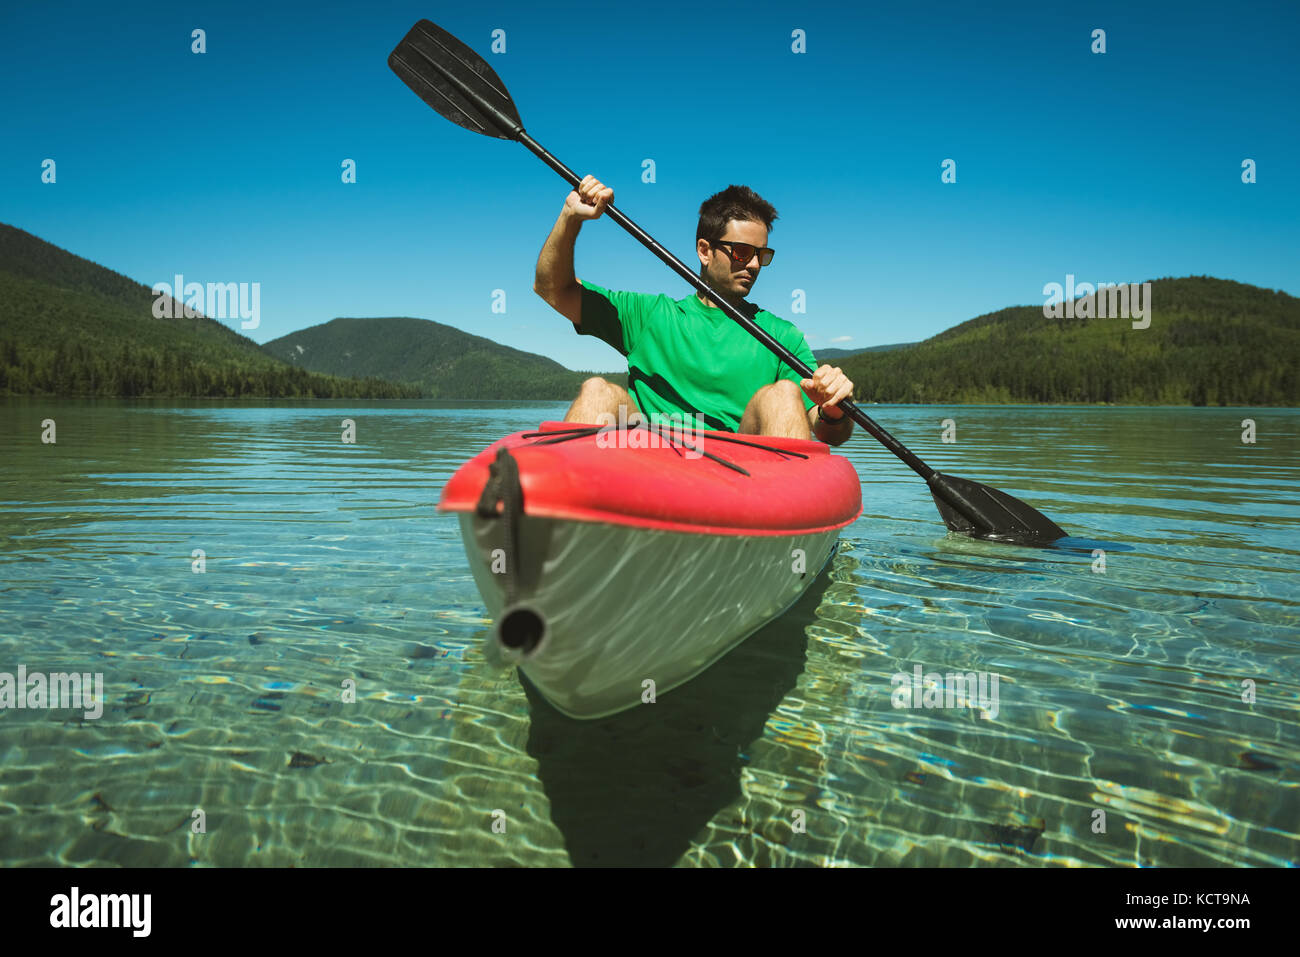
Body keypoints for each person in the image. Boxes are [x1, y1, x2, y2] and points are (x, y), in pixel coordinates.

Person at [532, 176, 855, 445]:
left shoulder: (783, 336)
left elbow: (827, 431)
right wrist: (570, 218)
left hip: (742, 475)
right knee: (597, 392)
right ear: (705, 251)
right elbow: (554, 290)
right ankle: (557, 514)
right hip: (647, 463)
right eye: (743, 252)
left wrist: (833, 408)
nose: (755, 264)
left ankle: (778, 517)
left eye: (762, 254)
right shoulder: (650, 315)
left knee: (785, 394)